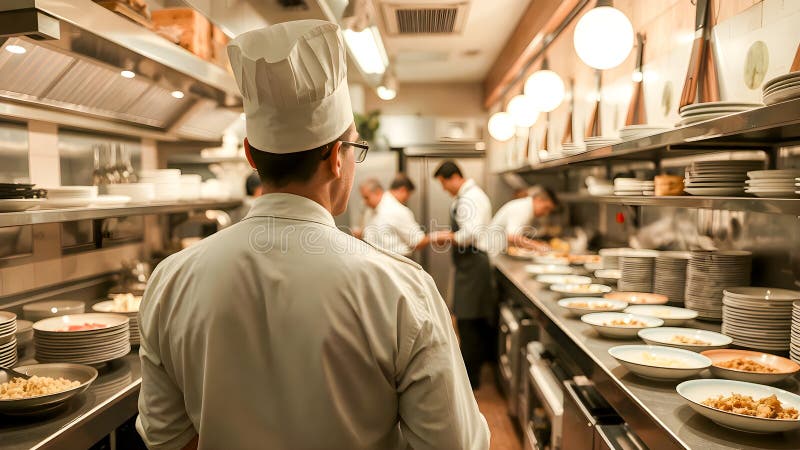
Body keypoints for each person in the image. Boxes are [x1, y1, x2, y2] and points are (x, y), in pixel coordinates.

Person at [136, 20, 489, 450]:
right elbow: (455, 444)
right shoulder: (402, 290)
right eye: (355, 148)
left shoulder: (170, 280)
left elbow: (167, 439)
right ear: (336, 158)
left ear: (249, 154)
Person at [429, 160, 494, 389]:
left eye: (444, 184)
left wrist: (446, 236)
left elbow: (470, 234)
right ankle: (470, 376)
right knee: (467, 320)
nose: (444, 189)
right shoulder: (466, 197)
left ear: (454, 177)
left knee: (469, 321)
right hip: (469, 264)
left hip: (474, 263)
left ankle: (470, 381)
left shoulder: (470, 198)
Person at [358, 178, 429, 257]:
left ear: (378, 192)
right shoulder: (369, 211)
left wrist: (433, 237)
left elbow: (417, 242)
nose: (364, 202)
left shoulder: (397, 210)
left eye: (366, 197)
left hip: (395, 264)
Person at [490, 186, 558, 253]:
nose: (546, 213)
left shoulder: (526, 207)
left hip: (497, 251)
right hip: (492, 252)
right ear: (538, 200)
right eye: (546, 208)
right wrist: (537, 246)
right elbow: (512, 237)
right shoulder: (522, 208)